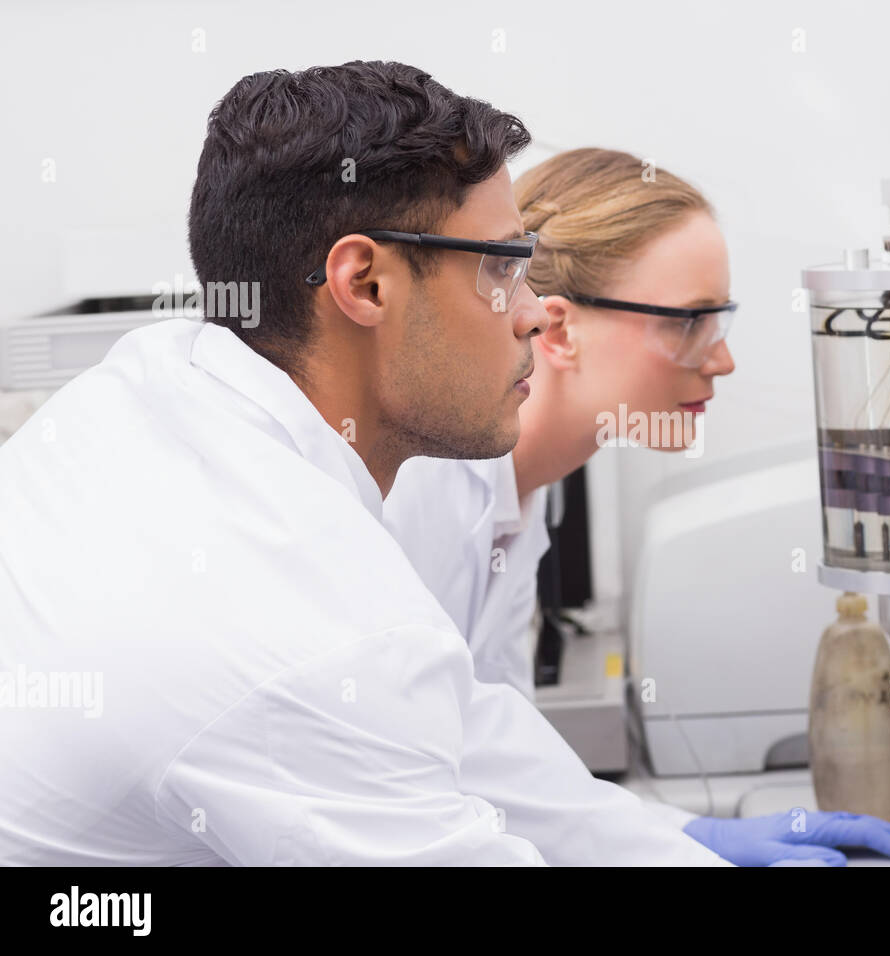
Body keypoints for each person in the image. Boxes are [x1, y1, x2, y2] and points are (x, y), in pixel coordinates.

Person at [0, 63, 729, 866]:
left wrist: (676, 847)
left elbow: (459, 727)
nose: (529, 311)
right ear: (365, 282)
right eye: (499, 268)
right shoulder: (314, 632)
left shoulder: (149, 385)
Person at [383, 149, 890, 866]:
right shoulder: (426, 489)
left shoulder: (524, 493)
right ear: (556, 331)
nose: (722, 360)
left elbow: (496, 758)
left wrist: (680, 837)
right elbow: (418, 776)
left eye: (720, 320)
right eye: (688, 322)